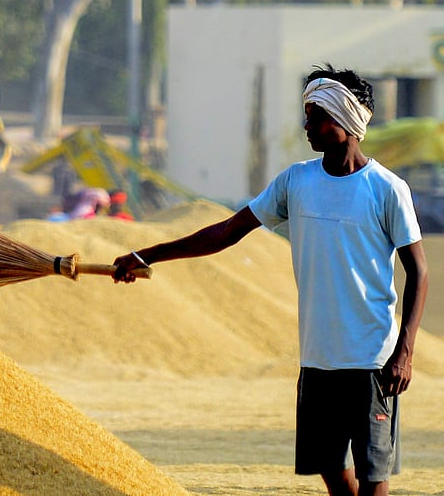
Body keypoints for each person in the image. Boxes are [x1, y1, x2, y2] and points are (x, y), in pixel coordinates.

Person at [113, 64, 428, 496]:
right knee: (333, 474)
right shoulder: (296, 182)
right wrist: (145, 254)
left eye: (316, 116)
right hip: (318, 361)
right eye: (307, 114)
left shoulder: (387, 189)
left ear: (347, 120)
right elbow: (224, 233)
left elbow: (419, 271)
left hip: (373, 361)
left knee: (375, 480)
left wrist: (404, 352)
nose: (306, 126)